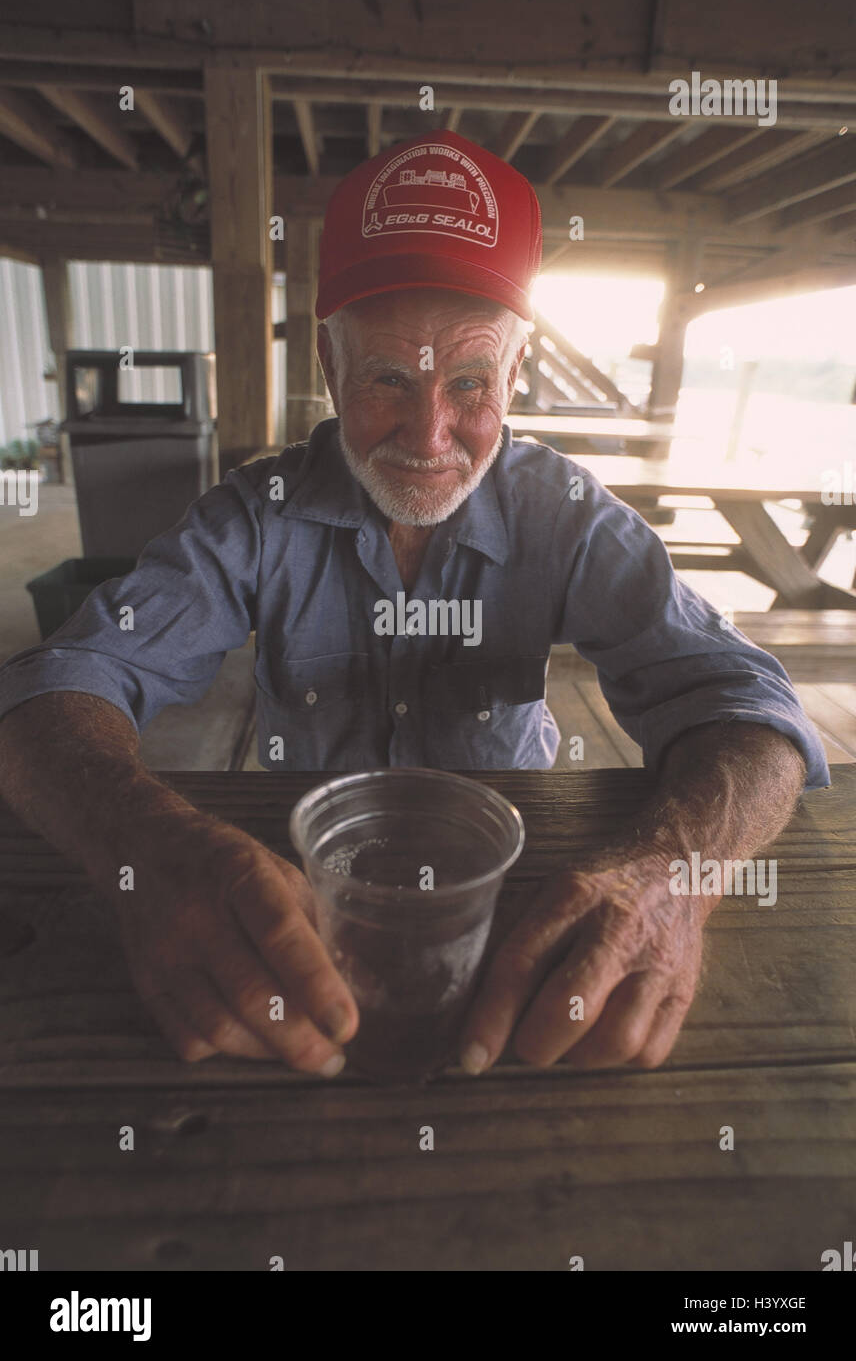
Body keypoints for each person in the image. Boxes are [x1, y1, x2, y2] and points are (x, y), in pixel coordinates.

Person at [0, 130, 829, 1082]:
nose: (430, 435)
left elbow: (750, 707)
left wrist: (673, 877)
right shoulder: (254, 516)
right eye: (390, 377)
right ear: (328, 363)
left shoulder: (565, 516)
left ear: (516, 377)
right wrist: (144, 844)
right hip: (303, 898)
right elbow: (53, 687)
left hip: (517, 900)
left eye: (470, 383)